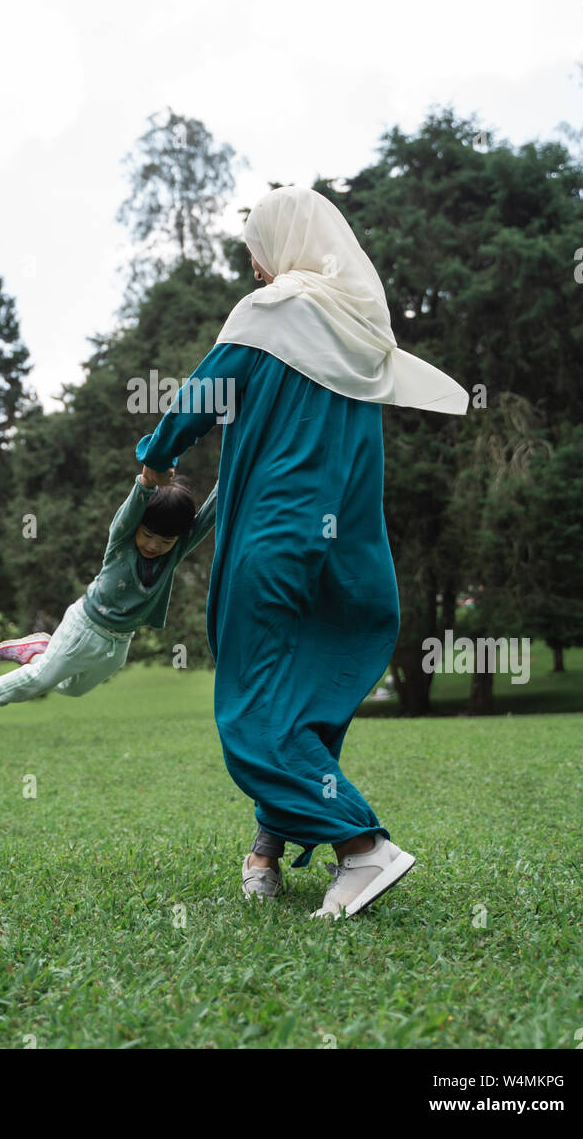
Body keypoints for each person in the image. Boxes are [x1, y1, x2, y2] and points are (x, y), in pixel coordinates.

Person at [134, 184, 469, 921]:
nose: (255, 269)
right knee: (305, 710)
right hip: (352, 562)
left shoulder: (272, 312)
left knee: (253, 716)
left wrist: (155, 463)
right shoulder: (356, 330)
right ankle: (269, 847)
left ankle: (363, 849)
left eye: (256, 250)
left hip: (277, 542)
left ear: (280, 244)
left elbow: (198, 399)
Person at [0, 470, 217, 741]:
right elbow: (132, 509)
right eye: (148, 534)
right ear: (137, 526)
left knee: (73, 688)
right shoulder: (122, 539)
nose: (154, 545)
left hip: (120, 641)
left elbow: (211, 512)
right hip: (86, 626)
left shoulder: (174, 551)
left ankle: (38, 652)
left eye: (165, 541)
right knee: (41, 679)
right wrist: (147, 482)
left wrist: (240, 459)